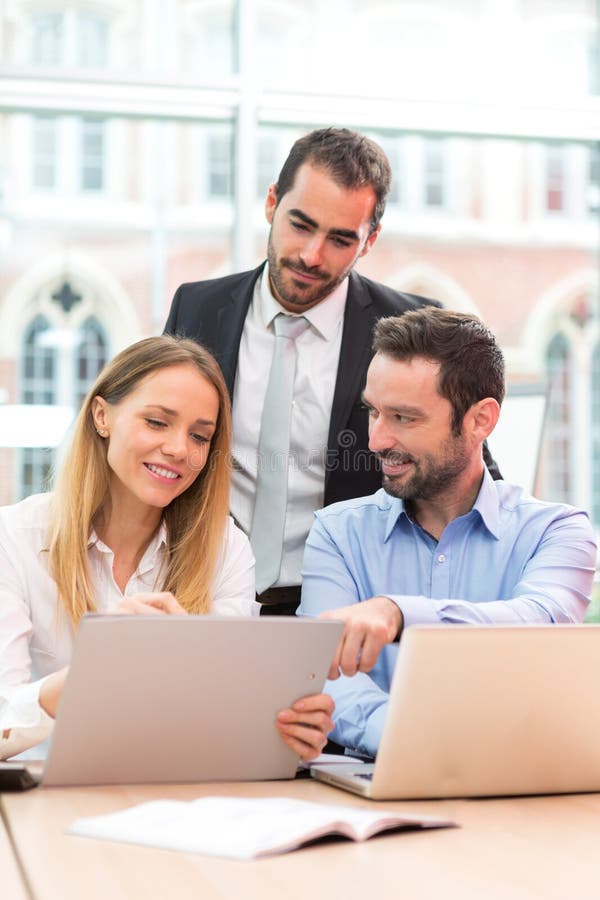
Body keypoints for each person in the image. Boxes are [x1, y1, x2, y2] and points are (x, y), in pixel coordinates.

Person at [0, 336, 333, 762]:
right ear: (102, 416)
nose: (179, 449)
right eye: (157, 423)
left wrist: (283, 729)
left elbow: (229, 728)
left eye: (199, 436)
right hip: (43, 802)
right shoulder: (17, 537)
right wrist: (92, 669)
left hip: (176, 802)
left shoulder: (226, 550)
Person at [298, 308, 597, 759]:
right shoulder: (337, 534)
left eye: (403, 417)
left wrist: (399, 613)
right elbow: (326, 678)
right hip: (370, 784)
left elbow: (539, 622)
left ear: (481, 420)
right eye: (373, 412)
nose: (376, 439)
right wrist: (423, 741)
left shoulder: (556, 531)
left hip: (521, 791)